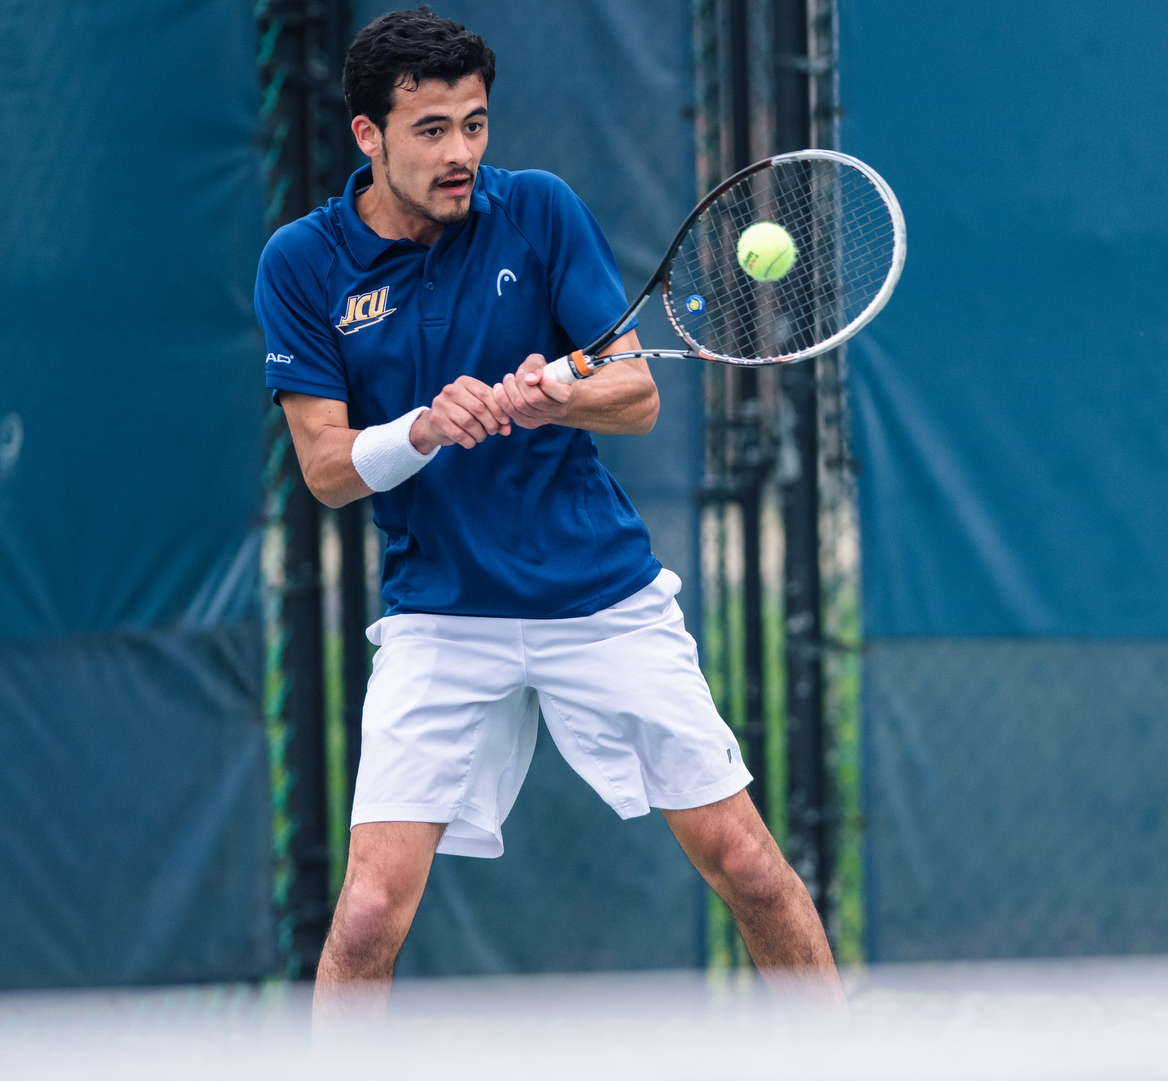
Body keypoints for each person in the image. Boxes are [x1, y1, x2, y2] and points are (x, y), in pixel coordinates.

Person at [254, 8, 843, 1021]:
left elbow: (635, 392)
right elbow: (325, 469)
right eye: (431, 130)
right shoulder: (301, 263)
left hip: (599, 598)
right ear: (367, 136)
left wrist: (556, 398)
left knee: (748, 862)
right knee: (366, 917)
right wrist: (424, 428)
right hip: (441, 613)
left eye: (474, 124)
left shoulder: (538, 210)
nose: (460, 152)